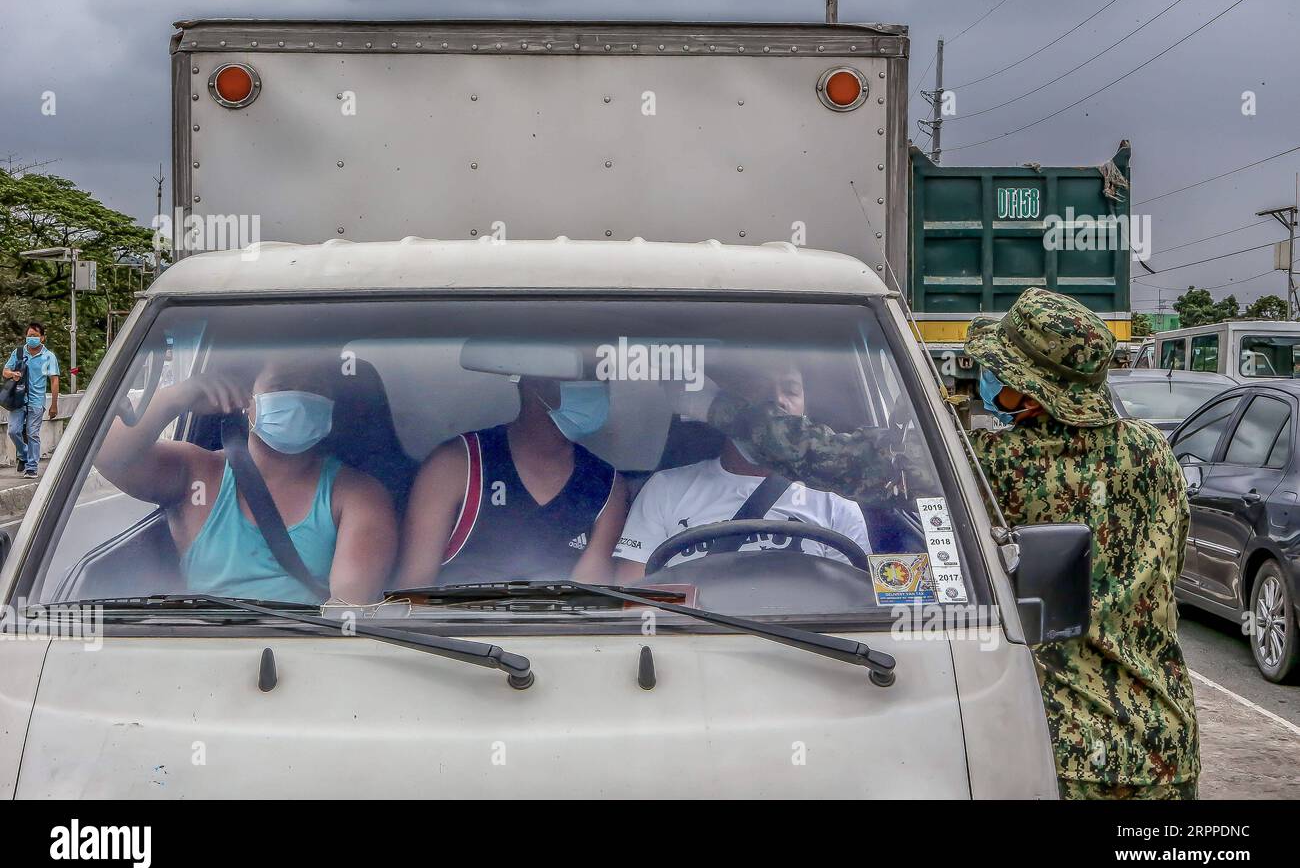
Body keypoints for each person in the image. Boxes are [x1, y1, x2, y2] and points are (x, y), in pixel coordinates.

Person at [706, 289, 1200, 800]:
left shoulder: (990, 465)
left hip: (1065, 750)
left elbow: (823, 456)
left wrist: (733, 409)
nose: (985, 380)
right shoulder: (1153, 453)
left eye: (997, 373)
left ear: (1026, 395)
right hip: (1165, 742)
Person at [97, 358, 397, 604]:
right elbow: (104, 454)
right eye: (283, 385)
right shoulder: (197, 473)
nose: (301, 398)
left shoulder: (359, 494)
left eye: (314, 389)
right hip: (197, 654)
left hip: (307, 659)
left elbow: (347, 610)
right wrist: (178, 398)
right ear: (246, 400)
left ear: (331, 407)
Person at [613, 361, 870, 579]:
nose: (778, 401)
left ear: (806, 410)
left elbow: (857, 600)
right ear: (726, 406)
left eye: (791, 391)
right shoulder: (665, 489)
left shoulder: (834, 498)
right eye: (759, 389)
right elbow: (634, 599)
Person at [395, 376, 628, 586]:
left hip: (557, 630)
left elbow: (590, 596)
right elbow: (412, 587)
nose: (594, 385)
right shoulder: (457, 464)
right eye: (576, 374)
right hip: (449, 628)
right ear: (532, 382)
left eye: (600, 376)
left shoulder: (607, 485)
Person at [3, 322, 60, 479]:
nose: (31, 338)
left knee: (32, 433)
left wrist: (54, 405)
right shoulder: (19, 353)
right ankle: (24, 453)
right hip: (18, 400)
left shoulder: (48, 356)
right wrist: (13, 373)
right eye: (29, 336)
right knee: (13, 431)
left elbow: (54, 380)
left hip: (36, 401)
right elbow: (5, 371)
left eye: (35, 336)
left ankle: (32, 467)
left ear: (42, 338)